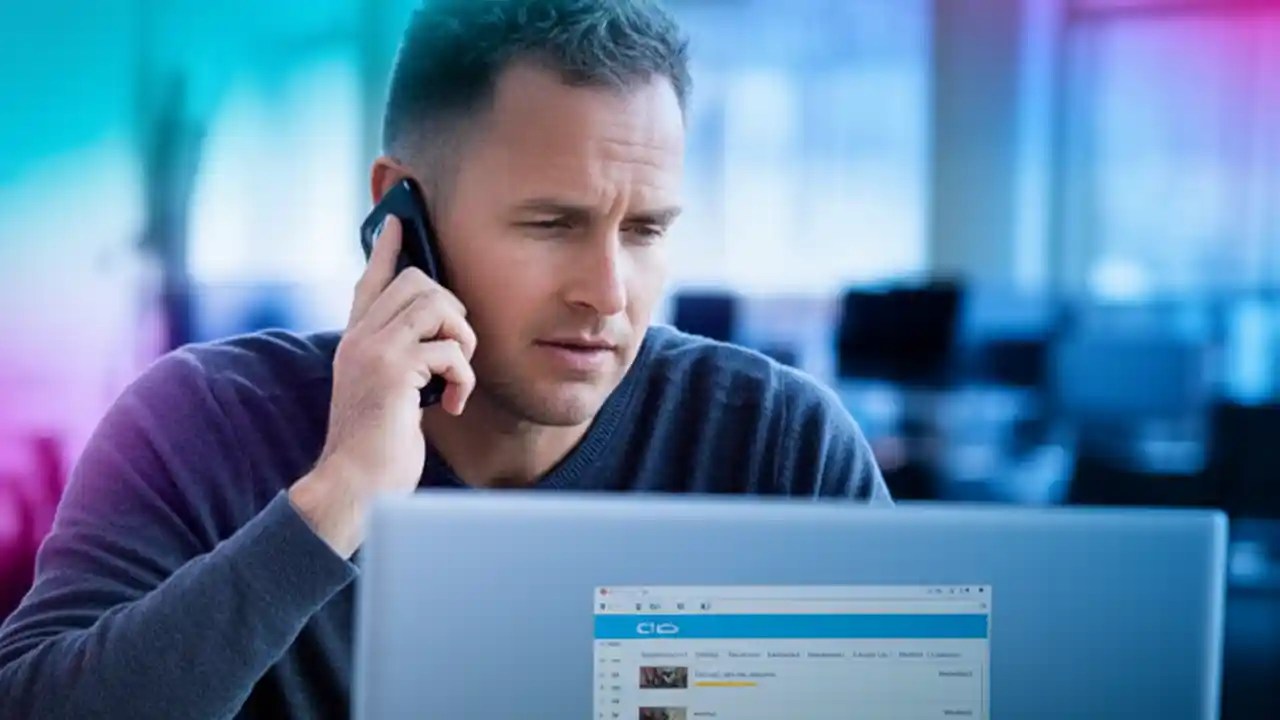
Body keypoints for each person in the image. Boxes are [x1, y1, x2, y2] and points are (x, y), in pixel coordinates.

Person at [0, 0, 890, 717]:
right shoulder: (200, 423)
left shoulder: (781, 445)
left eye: (646, 230)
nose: (609, 293)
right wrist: (339, 495)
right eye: (552, 225)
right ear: (400, 214)